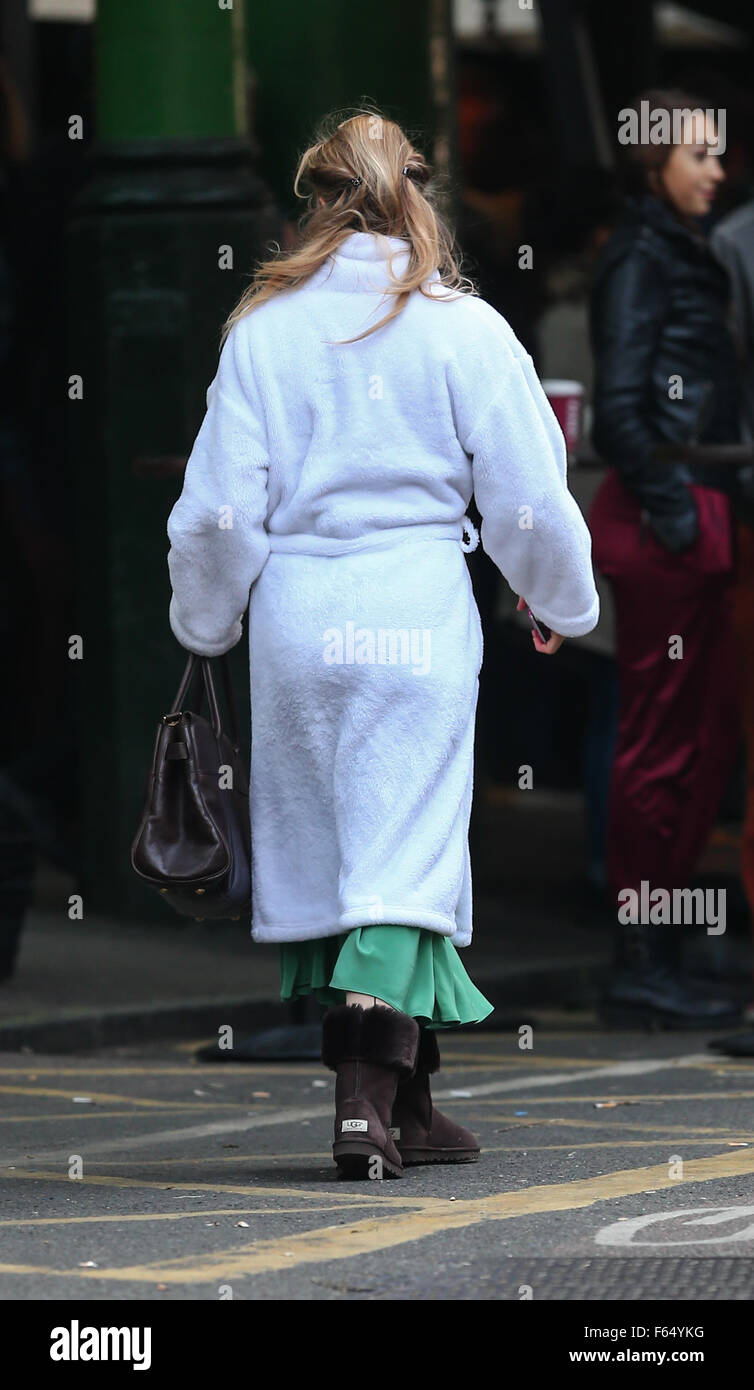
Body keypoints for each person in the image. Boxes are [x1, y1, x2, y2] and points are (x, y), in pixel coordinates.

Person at [166, 110, 599, 1180]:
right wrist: (561, 604)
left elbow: (217, 517)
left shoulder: (263, 330)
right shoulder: (463, 326)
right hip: (414, 616)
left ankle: (410, 1098)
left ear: (312, 199)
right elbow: (529, 504)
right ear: (419, 192)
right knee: (401, 858)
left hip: (301, 620)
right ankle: (364, 1095)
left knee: (339, 856)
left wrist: (206, 622)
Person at [589, 89, 744, 1029]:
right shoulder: (642, 257)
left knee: (695, 746)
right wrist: (680, 517)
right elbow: (622, 409)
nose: (718, 170)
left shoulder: (673, 251)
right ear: (654, 164)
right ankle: (642, 958)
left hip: (690, 513)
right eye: (700, 156)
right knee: (660, 746)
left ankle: (663, 951)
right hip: (668, 521)